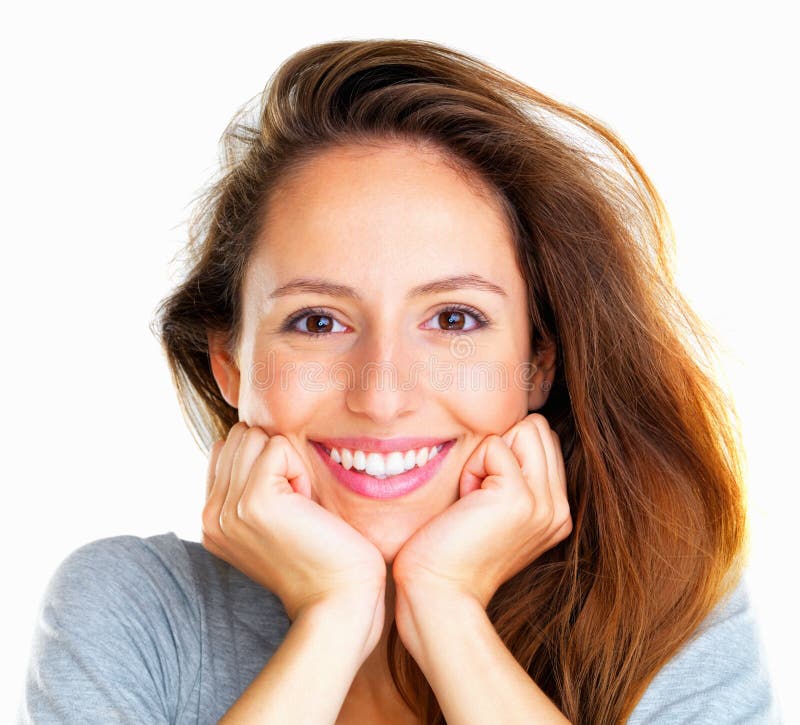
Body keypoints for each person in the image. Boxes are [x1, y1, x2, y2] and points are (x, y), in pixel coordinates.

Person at [19, 39, 780, 724]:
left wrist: (447, 611)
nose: (382, 396)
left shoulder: (671, 608)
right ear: (230, 362)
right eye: (317, 321)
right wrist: (331, 617)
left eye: (453, 319)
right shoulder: (134, 612)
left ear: (539, 359)